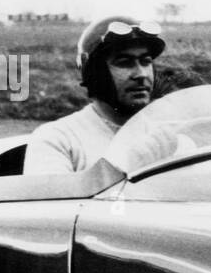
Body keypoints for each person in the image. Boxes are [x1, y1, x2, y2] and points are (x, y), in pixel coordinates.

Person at [23, 16, 166, 174]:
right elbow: (52, 197)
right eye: (124, 62)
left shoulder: (166, 137)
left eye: (145, 61)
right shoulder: (58, 139)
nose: (141, 74)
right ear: (95, 72)